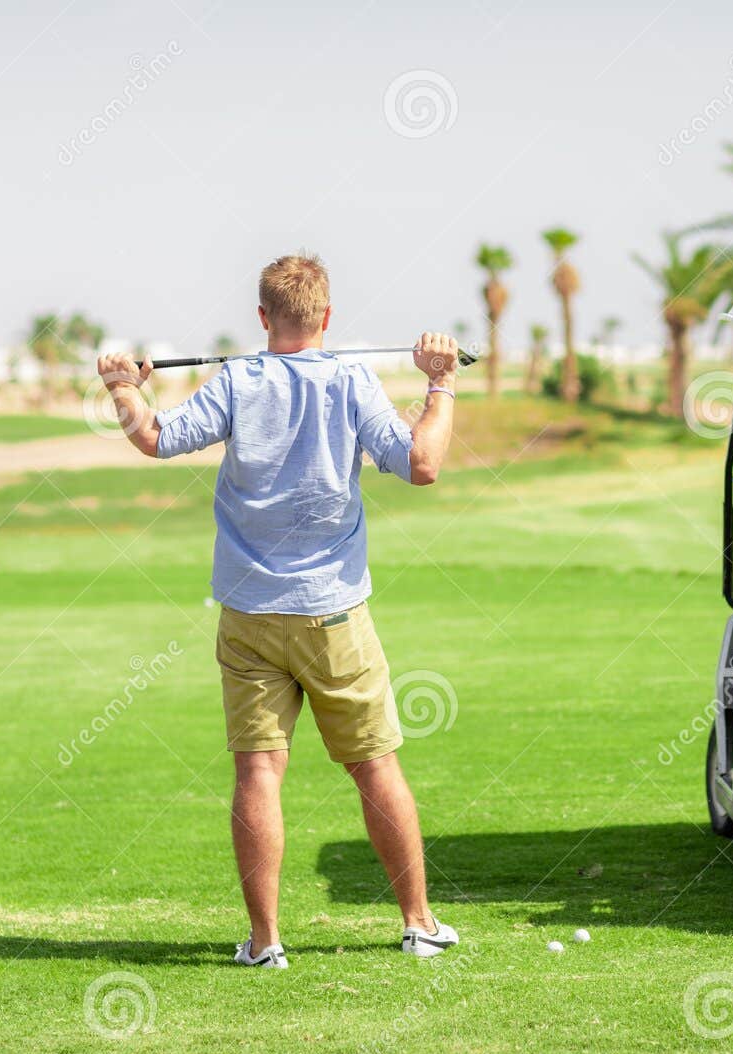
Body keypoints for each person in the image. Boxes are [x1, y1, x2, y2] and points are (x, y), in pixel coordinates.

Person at [96, 252, 461, 966]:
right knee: (375, 766)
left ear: (263, 318)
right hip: (334, 615)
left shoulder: (237, 379)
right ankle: (418, 922)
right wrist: (441, 383)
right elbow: (423, 463)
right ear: (327, 316)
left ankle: (266, 942)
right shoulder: (352, 377)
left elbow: (154, 437)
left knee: (259, 773)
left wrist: (122, 389)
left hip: (249, 615)